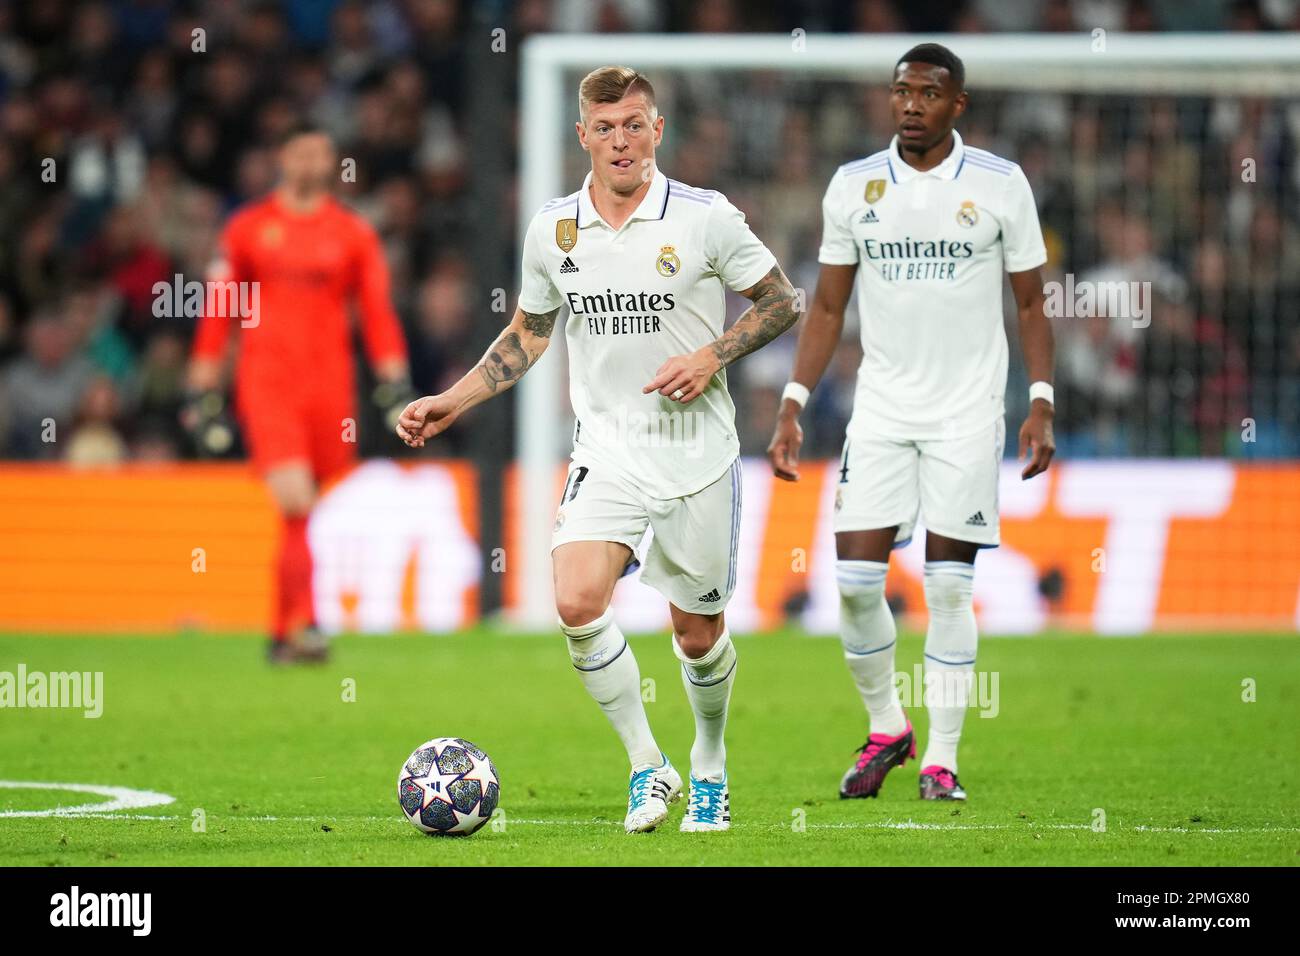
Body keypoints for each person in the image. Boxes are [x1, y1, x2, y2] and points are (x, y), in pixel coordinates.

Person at [398, 67, 798, 833]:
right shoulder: (554, 229)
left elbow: (783, 299)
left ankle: (709, 762)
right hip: (607, 447)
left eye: (635, 125)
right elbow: (528, 334)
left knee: (696, 634)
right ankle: (650, 765)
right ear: (582, 135)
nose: (621, 140)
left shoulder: (705, 218)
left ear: (657, 131)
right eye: (606, 127)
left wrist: (712, 356)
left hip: (695, 454)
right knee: (577, 601)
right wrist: (453, 398)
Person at [767, 44, 1056, 801]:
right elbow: (828, 305)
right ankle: (888, 727)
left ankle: (944, 761)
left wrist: (1042, 400)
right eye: (901, 91)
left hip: (966, 413)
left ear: (957, 104)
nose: (911, 104)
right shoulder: (854, 186)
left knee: (949, 587)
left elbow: (1031, 302)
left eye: (929, 92)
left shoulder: (1000, 184)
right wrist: (794, 404)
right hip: (883, 412)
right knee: (857, 581)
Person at [187, 122, 412, 664]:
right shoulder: (247, 228)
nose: (314, 163)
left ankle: (279, 634)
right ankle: (309, 624)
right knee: (295, 499)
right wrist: (202, 389)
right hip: (267, 385)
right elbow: (220, 311)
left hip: (330, 392)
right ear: (282, 158)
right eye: (304, 152)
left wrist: (394, 383)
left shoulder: (353, 233)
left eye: (323, 154)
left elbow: (377, 314)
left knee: (300, 515)